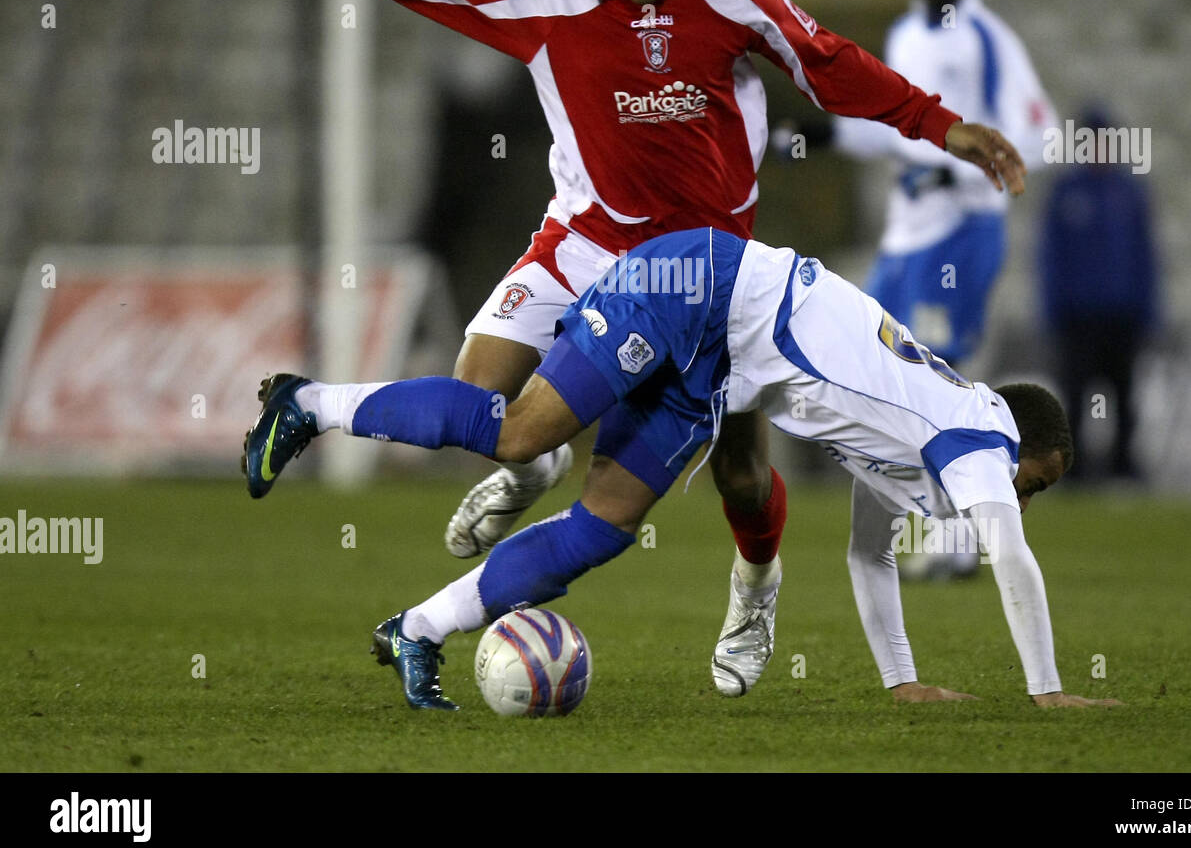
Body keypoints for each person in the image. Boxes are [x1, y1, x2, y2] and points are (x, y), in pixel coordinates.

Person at [207, 0, 1026, 695]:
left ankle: (755, 588)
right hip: (585, 246)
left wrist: (939, 124)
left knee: (741, 477)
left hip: (707, 273)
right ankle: (524, 467)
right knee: (486, 395)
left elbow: (829, 61)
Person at [243, 227, 1119, 711]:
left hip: (721, 357)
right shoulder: (977, 436)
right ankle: (308, 402)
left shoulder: (919, 448)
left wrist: (903, 680)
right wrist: (1048, 692)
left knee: (604, 526)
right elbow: (1009, 553)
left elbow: (868, 554)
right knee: (516, 433)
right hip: (703, 282)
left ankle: (418, 630)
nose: (1020, 501)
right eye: (1032, 484)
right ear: (1020, 446)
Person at [826, 0, 1058, 580]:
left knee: (940, 380)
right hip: (905, 236)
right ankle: (923, 520)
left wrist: (951, 168)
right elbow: (896, 127)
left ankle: (960, 536)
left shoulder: (987, 39)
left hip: (960, 230)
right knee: (880, 375)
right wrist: (817, 136)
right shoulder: (905, 36)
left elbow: (1037, 136)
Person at [1038, 105, 1159, 481]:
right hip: (1078, 317)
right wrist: (1051, 309)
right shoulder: (1066, 193)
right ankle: (1074, 470)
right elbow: (1050, 256)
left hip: (1123, 315)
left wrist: (1150, 310)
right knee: (1075, 396)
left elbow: (1146, 256)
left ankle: (1123, 464)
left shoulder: (1130, 192)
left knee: (1125, 396)